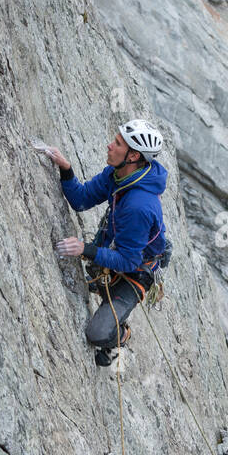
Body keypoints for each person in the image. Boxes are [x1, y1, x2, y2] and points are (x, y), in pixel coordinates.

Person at [49, 119, 170, 365]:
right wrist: (66, 169)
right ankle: (104, 288)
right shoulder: (117, 175)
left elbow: (129, 260)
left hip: (136, 271)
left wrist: (85, 249)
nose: (109, 146)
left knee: (97, 334)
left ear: (133, 156)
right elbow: (81, 199)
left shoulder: (139, 205)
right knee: (98, 277)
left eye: (117, 143)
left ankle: (122, 334)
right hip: (120, 250)